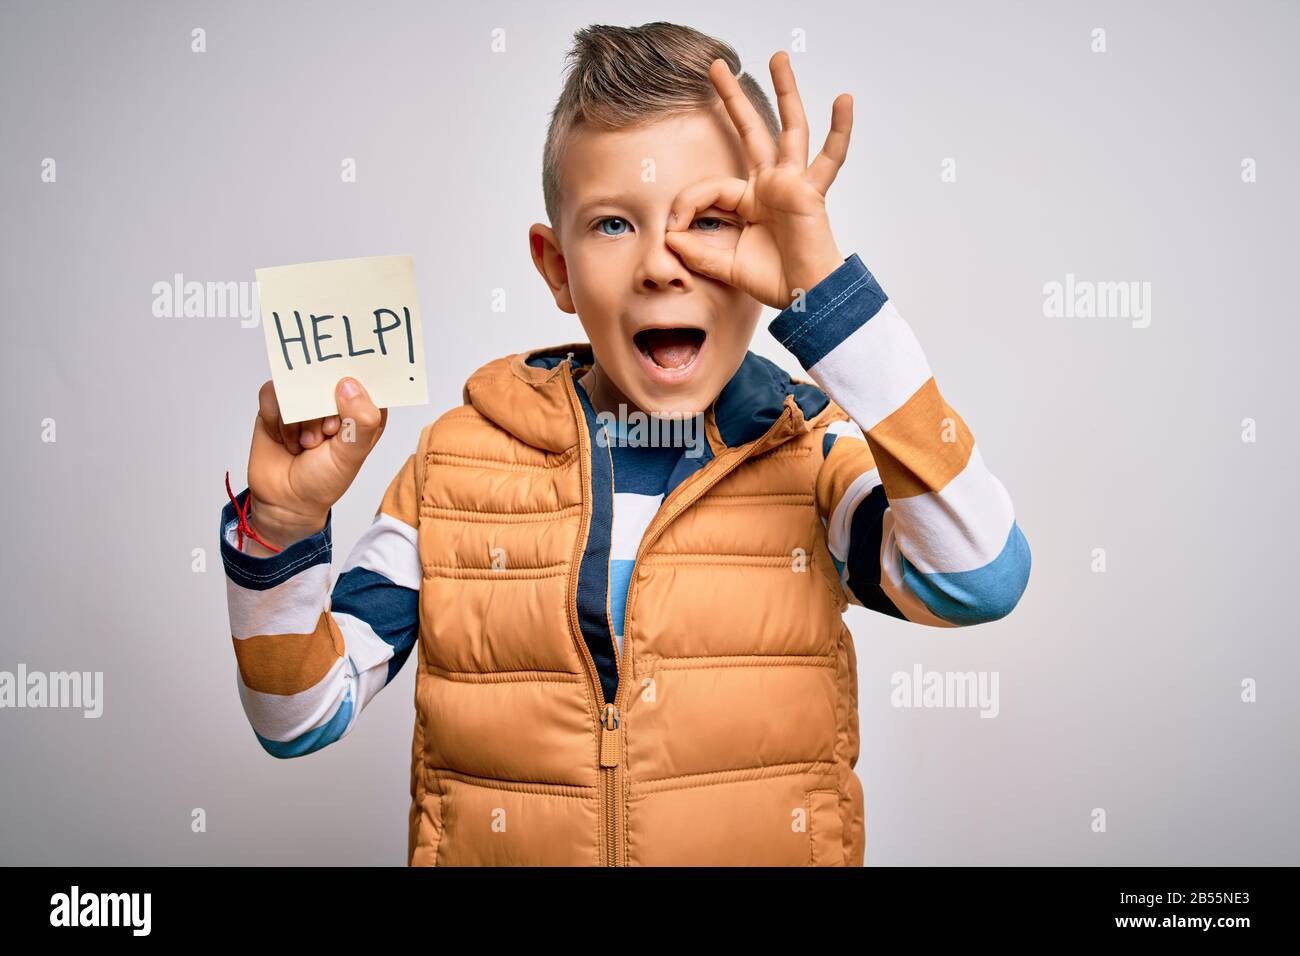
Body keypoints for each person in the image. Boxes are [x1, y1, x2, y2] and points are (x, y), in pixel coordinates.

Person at [219, 22, 1031, 866]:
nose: (660, 267)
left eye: (710, 220)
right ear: (556, 268)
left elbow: (981, 576)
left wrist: (825, 294)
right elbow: (298, 718)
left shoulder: (813, 459)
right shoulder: (453, 469)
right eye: (613, 225)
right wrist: (279, 530)